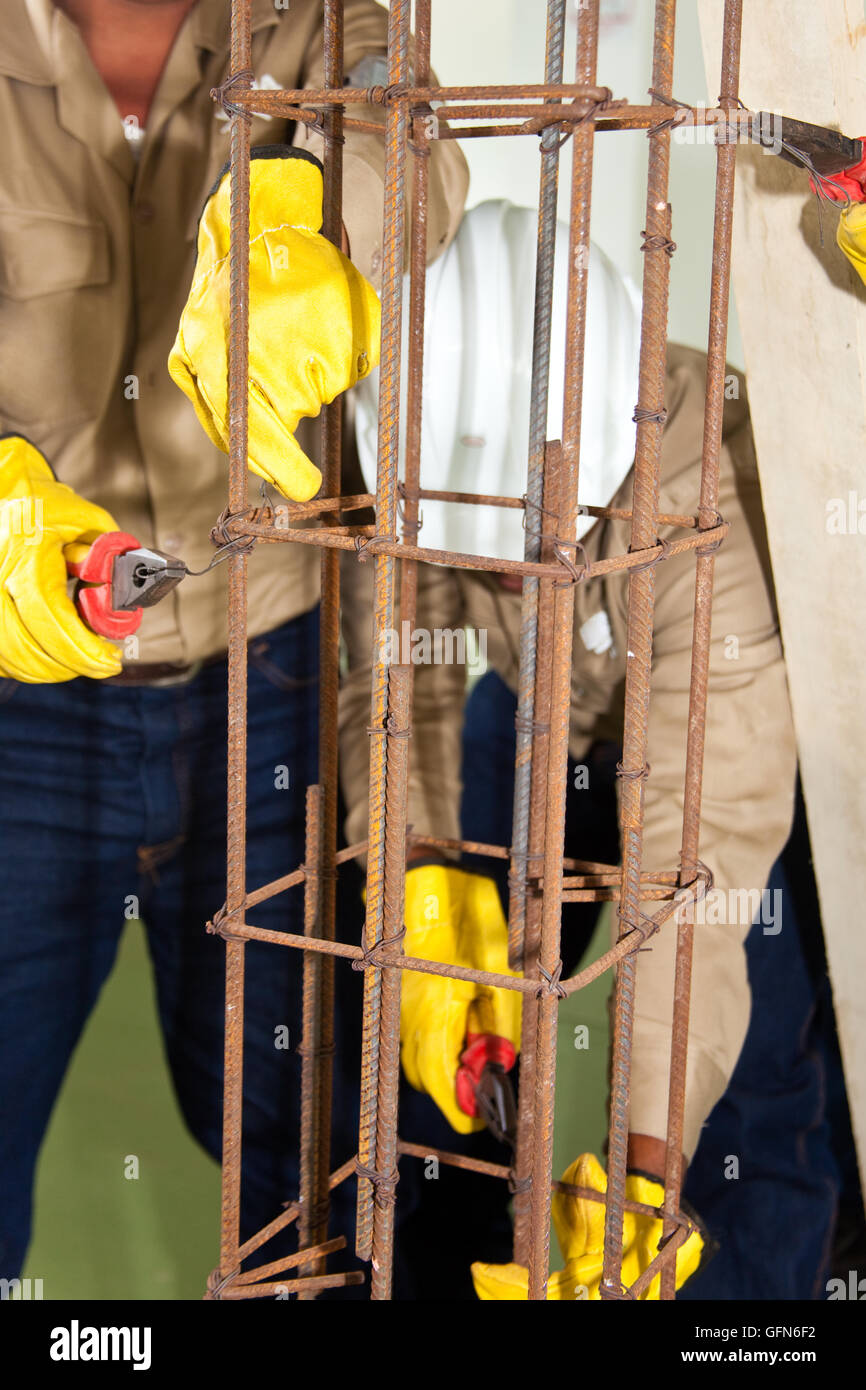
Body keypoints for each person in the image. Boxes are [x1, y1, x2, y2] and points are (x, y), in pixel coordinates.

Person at [0, 0, 468, 1285]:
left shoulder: (319, 17)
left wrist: (311, 225)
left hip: (270, 676)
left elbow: (417, 141)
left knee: (309, 1153)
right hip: (17, 705)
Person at [343, 199, 809, 1297]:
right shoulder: (410, 428)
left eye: (518, 553)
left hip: (709, 738)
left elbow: (693, 861)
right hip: (543, 711)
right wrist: (416, 882)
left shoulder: (710, 494)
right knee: (442, 1043)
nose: (501, 580)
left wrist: (644, 1172)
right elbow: (398, 680)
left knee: (745, 1088)